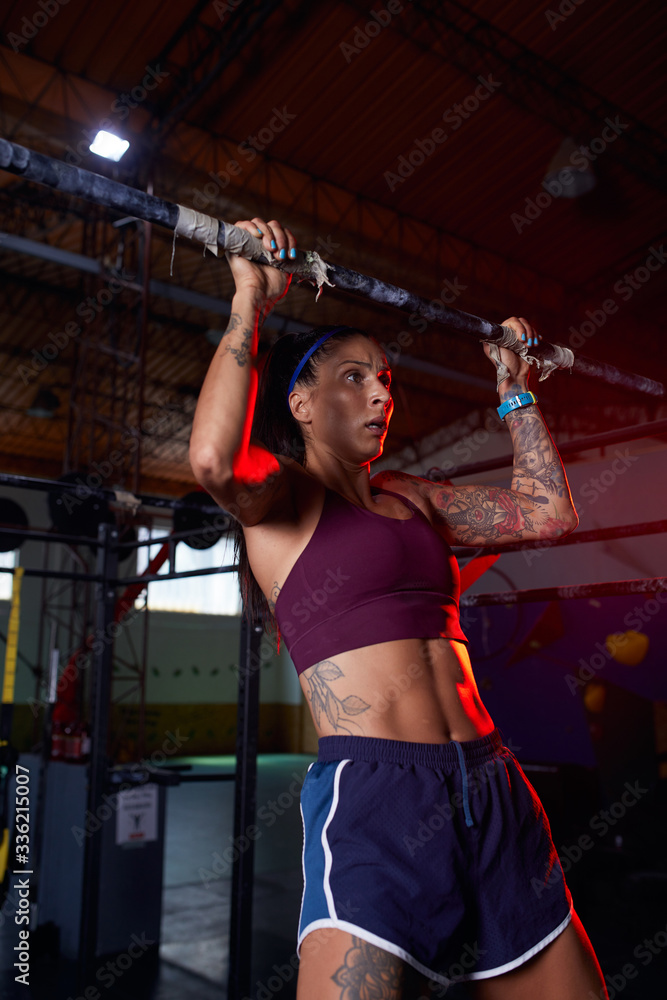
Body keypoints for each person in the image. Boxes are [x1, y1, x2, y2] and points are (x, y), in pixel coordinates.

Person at [190, 219, 609, 1000]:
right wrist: (251, 298)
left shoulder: (414, 499)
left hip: (492, 785)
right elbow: (212, 458)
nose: (383, 391)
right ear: (302, 402)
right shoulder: (280, 501)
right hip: (379, 795)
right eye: (355, 377)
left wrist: (513, 388)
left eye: (385, 377)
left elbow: (546, 515)